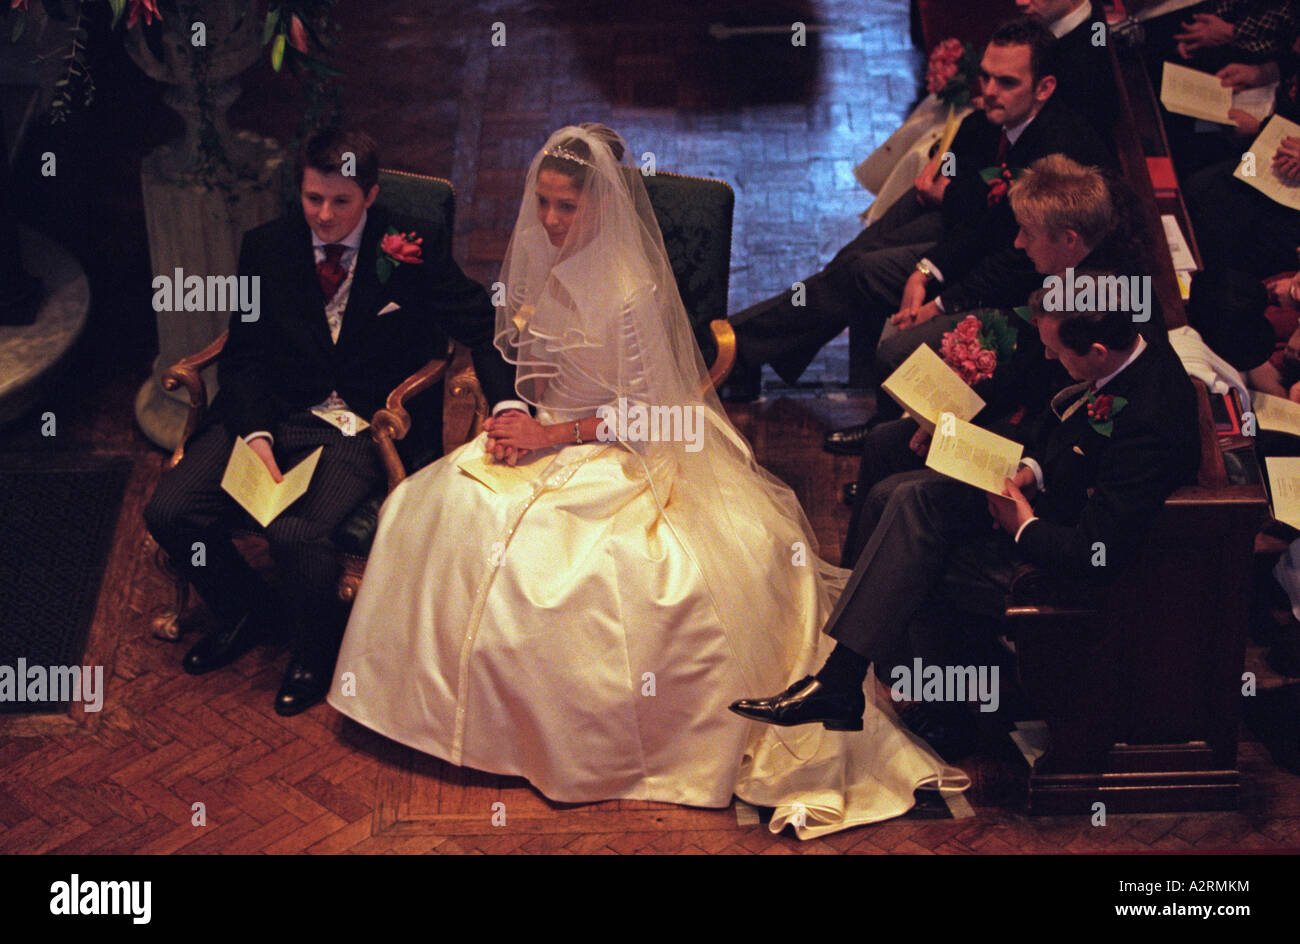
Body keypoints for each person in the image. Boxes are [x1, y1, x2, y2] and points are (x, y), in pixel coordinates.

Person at [328, 124, 968, 839]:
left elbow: (656, 414)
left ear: (601, 204)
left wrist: (552, 435)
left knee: (570, 572)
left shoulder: (631, 291)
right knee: (430, 504)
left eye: (566, 207)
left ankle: (576, 749)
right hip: (543, 432)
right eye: (543, 202)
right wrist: (511, 412)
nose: (548, 220)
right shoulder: (539, 258)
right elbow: (509, 354)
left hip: (622, 452)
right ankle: (423, 715)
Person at [731, 279, 1202, 759]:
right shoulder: (1123, 351)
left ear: (1098, 353)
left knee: (916, 534)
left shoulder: (1148, 418)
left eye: (1059, 353)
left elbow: (1097, 554)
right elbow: (1064, 435)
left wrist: (1022, 522)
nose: (1050, 361)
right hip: (1044, 502)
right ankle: (852, 675)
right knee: (899, 495)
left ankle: (883, 690)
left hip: (1071, 560)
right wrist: (1032, 472)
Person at [144, 128, 517, 716]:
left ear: (369, 196)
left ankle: (314, 652)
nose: (323, 214)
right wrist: (257, 437)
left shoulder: (411, 245)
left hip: (359, 426)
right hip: (272, 410)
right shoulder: (265, 247)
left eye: (340, 201)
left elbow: (484, 323)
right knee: (168, 509)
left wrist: (511, 407)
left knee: (294, 531)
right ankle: (245, 609)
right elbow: (243, 355)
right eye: (313, 198)